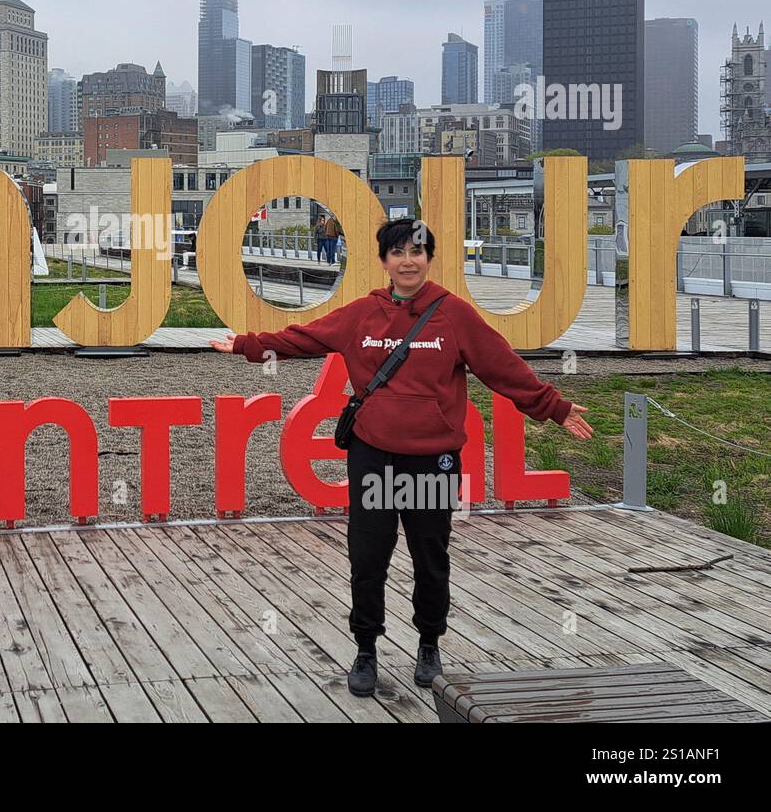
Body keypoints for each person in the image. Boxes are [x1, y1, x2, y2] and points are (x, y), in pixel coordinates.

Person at [209, 217, 593, 696]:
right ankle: (365, 648)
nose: (407, 261)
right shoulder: (362, 315)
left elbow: (502, 367)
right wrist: (248, 344)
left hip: (433, 459)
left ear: (429, 259)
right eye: (398, 253)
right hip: (373, 455)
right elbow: (304, 338)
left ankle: (429, 644)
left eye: (417, 252)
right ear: (384, 261)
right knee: (368, 555)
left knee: (430, 557)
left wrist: (552, 406)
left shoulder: (453, 315)